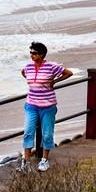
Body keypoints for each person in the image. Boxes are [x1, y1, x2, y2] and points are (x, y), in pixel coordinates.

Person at [20, 41, 73, 173]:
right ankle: (26, 162)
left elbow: (68, 73)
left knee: (47, 134)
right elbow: (23, 73)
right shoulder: (28, 67)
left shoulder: (51, 67)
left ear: (42, 54)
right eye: (31, 52)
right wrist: (35, 83)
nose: (32, 55)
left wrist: (54, 81)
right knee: (28, 132)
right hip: (31, 105)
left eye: (34, 53)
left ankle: (44, 160)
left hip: (47, 106)